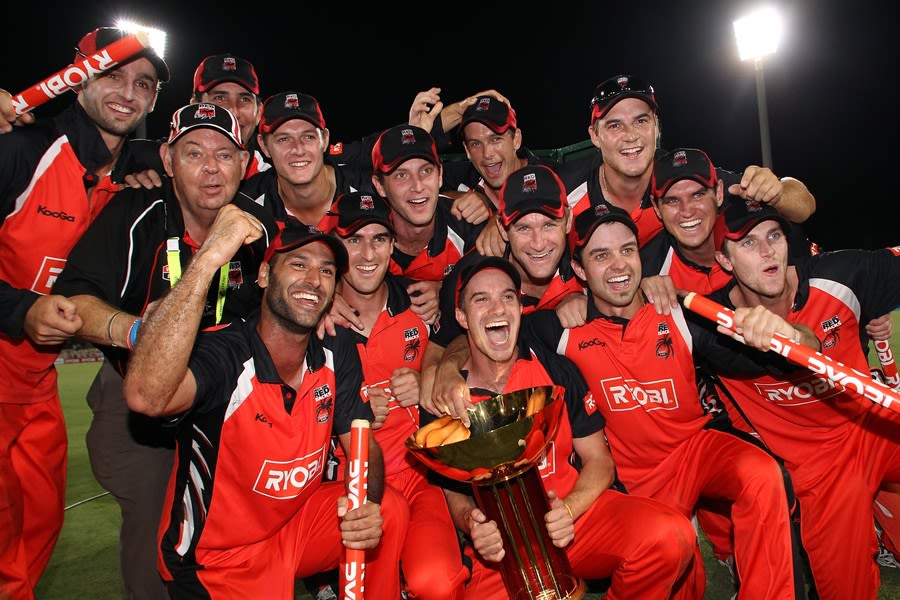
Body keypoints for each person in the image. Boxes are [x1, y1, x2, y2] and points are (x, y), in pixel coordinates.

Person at [51, 102, 278, 600]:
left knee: (242, 516)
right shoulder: (137, 212)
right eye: (193, 153)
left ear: (245, 164)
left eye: (225, 154)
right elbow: (73, 297)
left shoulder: (262, 226)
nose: (211, 168)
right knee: (153, 524)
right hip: (138, 387)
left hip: (225, 394)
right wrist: (138, 333)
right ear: (168, 160)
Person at [121, 217, 407, 599]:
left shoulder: (336, 350)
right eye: (299, 264)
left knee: (388, 507)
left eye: (325, 271)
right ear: (264, 276)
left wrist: (368, 507)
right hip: (217, 560)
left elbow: (363, 445)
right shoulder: (225, 353)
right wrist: (207, 261)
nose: (314, 280)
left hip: (294, 529)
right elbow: (145, 396)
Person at [0, 26, 169, 600]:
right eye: (112, 75)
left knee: (36, 527)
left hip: (36, 384)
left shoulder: (143, 165)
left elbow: (242, 157)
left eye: (143, 84)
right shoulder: (21, 149)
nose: (128, 92)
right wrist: (20, 308)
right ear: (76, 80)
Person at [423, 255, 698, 599]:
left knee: (672, 536)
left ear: (520, 307)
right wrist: (473, 525)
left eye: (508, 297)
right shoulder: (445, 395)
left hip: (578, 518)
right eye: (482, 300)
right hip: (503, 546)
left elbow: (599, 460)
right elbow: (453, 490)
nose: (497, 309)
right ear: (462, 317)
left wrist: (569, 509)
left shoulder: (555, 369)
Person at [694, 199, 900, 599]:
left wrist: (805, 336)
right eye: (748, 243)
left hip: (876, 427)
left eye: (774, 236)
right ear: (725, 259)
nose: (768, 250)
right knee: (844, 589)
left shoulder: (840, 274)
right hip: (821, 470)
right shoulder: (707, 325)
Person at [321, 191, 468, 599]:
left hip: (418, 476)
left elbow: (465, 339)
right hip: (349, 486)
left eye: (379, 239)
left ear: (393, 246)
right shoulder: (316, 317)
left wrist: (428, 374)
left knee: (436, 583)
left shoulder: (420, 304)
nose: (368, 253)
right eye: (354, 240)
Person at [561, 73, 817, 247]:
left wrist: (777, 192)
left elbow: (804, 206)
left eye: (641, 121)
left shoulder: (685, 176)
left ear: (656, 127)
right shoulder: (566, 190)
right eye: (615, 125)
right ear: (595, 136)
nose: (631, 136)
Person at [420, 164, 585, 416]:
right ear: (502, 229)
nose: (538, 243)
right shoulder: (472, 275)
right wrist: (443, 370)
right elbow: (440, 345)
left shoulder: (588, 260)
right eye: (523, 228)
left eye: (549, 225)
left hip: (577, 400)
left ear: (568, 221)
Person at [369, 124, 484, 324]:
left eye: (426, 170)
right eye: (401, 175)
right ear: (380, 185)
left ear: (440, 176)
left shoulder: (467, 225)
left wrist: (445, 290)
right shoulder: (361, 233)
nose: (418, 186)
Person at [241, 91, 374, 230]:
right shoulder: (247, 206)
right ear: (264, 145)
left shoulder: (369, 191)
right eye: (284, 139)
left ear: (325, 140)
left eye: (308, 137)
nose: (298, 150)